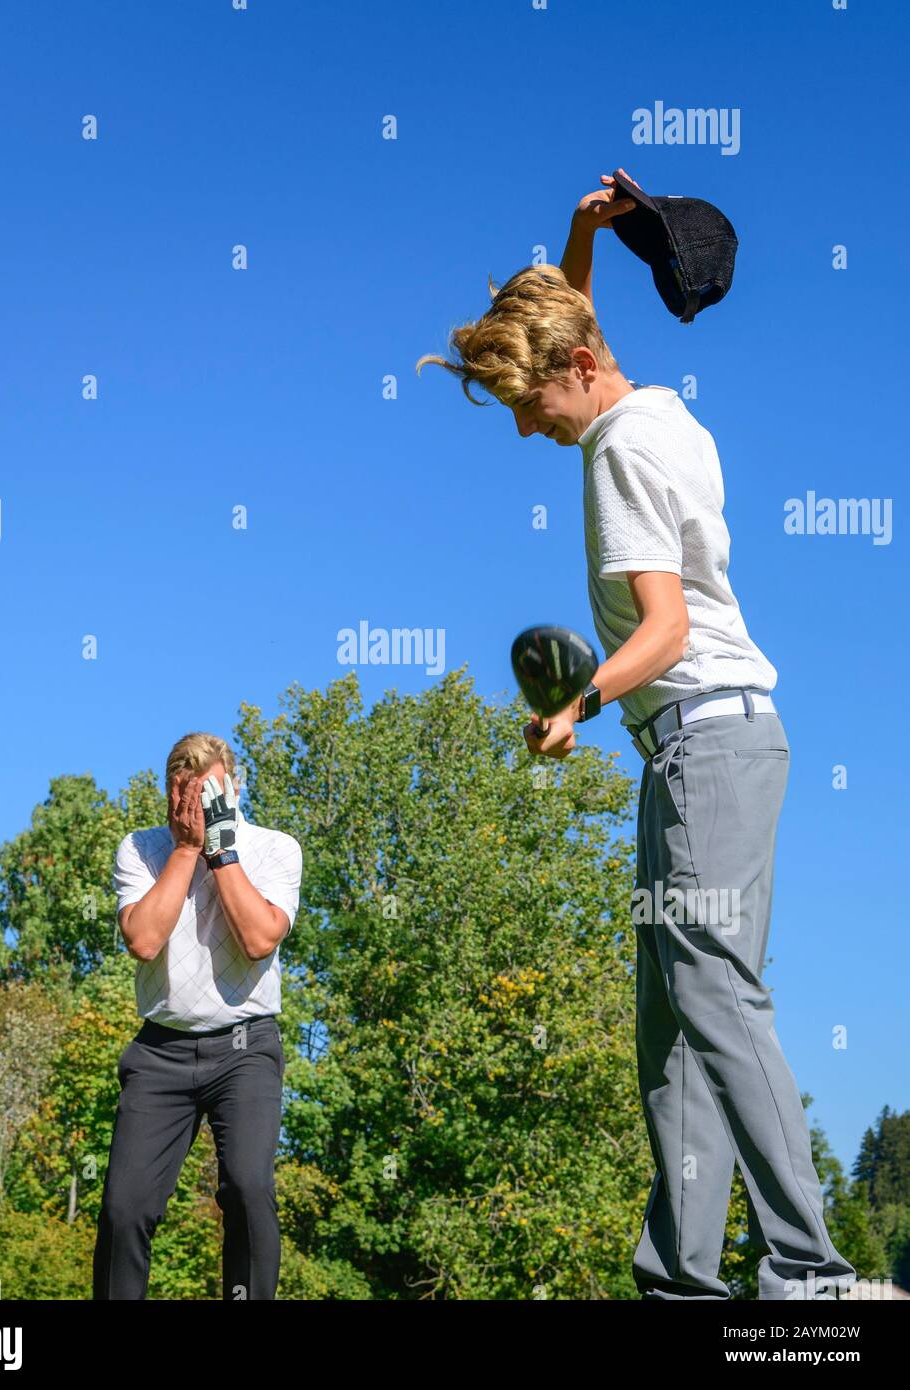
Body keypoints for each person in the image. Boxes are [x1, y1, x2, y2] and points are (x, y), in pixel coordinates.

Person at [416, 173, 857, 1301]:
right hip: (718, 748)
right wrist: (584, 230)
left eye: (525, 399)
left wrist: (576, 704)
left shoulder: (613, 453)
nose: (522, 424)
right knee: (669, 1023)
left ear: (572, 370)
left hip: (699, 737)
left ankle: (807, 1273)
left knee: (706, 990)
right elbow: (567, 310)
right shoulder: (657, 409)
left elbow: (662, 631)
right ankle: (681, 1281)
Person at [92, 731, 302, 1300]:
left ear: (232, 790)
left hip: (246, 1048)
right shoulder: (140, 849)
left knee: (249, 1188)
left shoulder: (277, 848)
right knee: (124, 1207)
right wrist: (187, 851)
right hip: (161, 1050)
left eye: (204, 796)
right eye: (180, 797)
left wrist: (222, 851)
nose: (191, 810)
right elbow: (143, 939)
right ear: (168, 795)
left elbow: (260, 940)